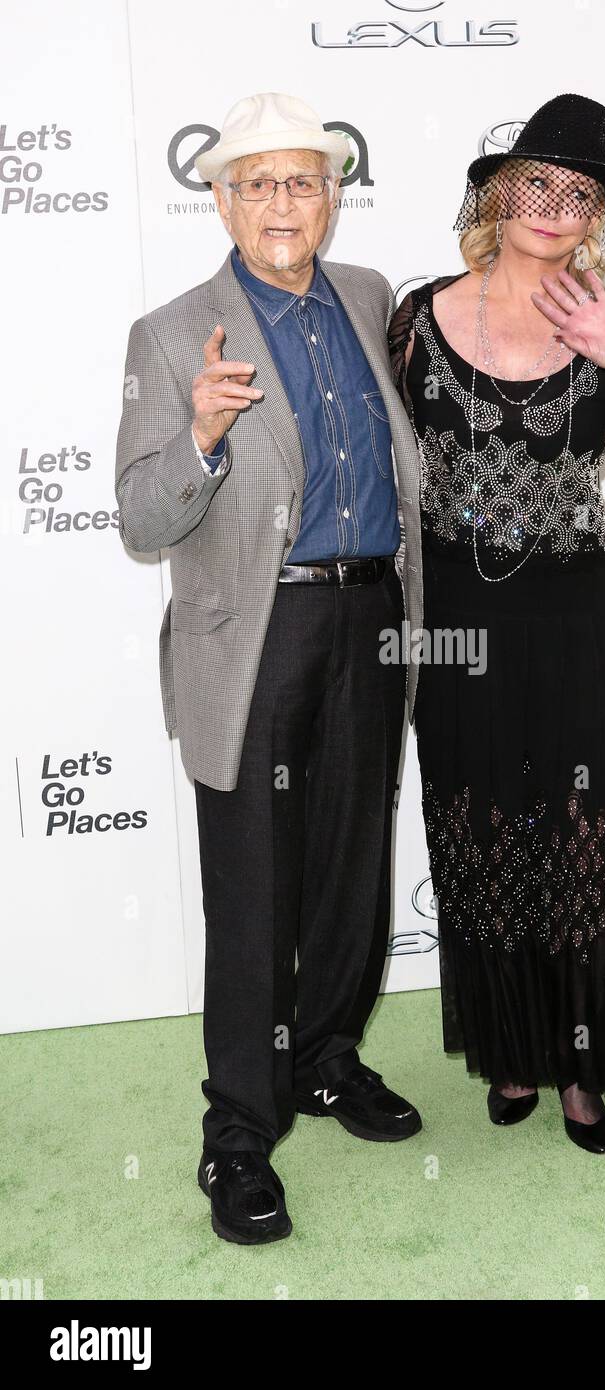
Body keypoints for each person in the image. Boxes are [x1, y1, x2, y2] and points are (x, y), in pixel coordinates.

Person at [388, 93, 605, 1155]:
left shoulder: (603, 327)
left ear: (596, 217)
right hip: (449, 618)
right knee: (478, 830)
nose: (552, 204)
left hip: (573, 613)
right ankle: (510, 1049)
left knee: (588, 842)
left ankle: (583, 1066)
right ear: (498, 193)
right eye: (535, 181)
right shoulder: (414, 316)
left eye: (577, 191)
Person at [115, 93, 425, 1244]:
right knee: (253, 902)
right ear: (221, 198)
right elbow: (143, 518)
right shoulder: (168, 331)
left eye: (302, 181)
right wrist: (196, 434)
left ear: (331, 195)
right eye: (258, 184)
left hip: (372, 619)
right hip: (254, 639)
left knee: (350, 867)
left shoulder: (364, 296)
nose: (282, 204)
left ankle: (330, 1061)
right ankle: (237, 1133)